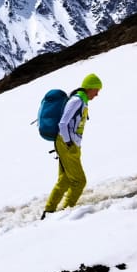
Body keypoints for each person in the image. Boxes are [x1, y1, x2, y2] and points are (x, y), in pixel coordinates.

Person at [44, 74, 102, 217]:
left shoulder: (81, 100)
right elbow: (63, 123)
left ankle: (49, 211)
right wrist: (69, 142)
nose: (97, 94)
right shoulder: (77, 100)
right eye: (96, 90)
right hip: (67, 143)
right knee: (79, 182)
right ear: (90, 88)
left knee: (65, 180)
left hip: (69, 143)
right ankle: (65, 213)